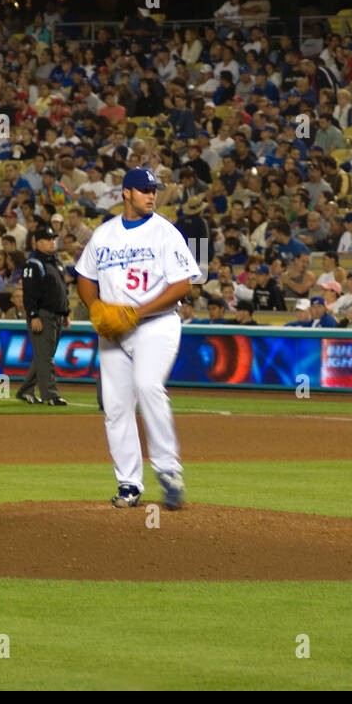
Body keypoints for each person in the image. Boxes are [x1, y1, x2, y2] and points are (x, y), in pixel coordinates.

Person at [75, 167, 200, 510]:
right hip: (114, 331)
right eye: (145, 190)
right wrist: (95, 306)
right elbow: (84, 276)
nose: (151, 195)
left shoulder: (165, 232)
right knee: (115, 407)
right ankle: (129, 483)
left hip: (155, 325)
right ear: (126, 193)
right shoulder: (104, 234)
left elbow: (183, 285)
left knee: (147, 385)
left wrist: (136, 312)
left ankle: (169, 471)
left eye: (154, 190)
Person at [17, 226, 71, 406]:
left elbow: (62, 290)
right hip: (43, 315)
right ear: (37, 243)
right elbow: (29, 293)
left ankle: (26, 390)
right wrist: (33, 316)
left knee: (43, 356)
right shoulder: (33, 264)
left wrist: (66, 312)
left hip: (57, 315)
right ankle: (50, 395)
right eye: (48, 239)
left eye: (53, 239)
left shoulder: (56, 261)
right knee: (46, 357)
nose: (52, 242)